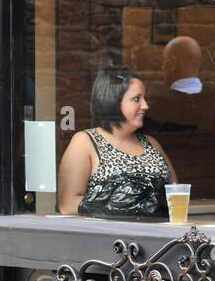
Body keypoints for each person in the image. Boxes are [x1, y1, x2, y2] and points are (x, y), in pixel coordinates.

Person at [57, 68, 178, 218]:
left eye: (144, 98)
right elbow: (67, 204)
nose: (145, 106)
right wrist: (120, 205)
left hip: (158, 235)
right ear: (112, 101)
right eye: (136, 99)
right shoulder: (85, 141)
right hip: (110, 237)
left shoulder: (151, 143)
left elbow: (177, 194)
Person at [145, 35, 215, 199]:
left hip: (169, 200)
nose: (161, 66)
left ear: (172, 63)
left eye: (163, 61)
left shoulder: (153, 110)